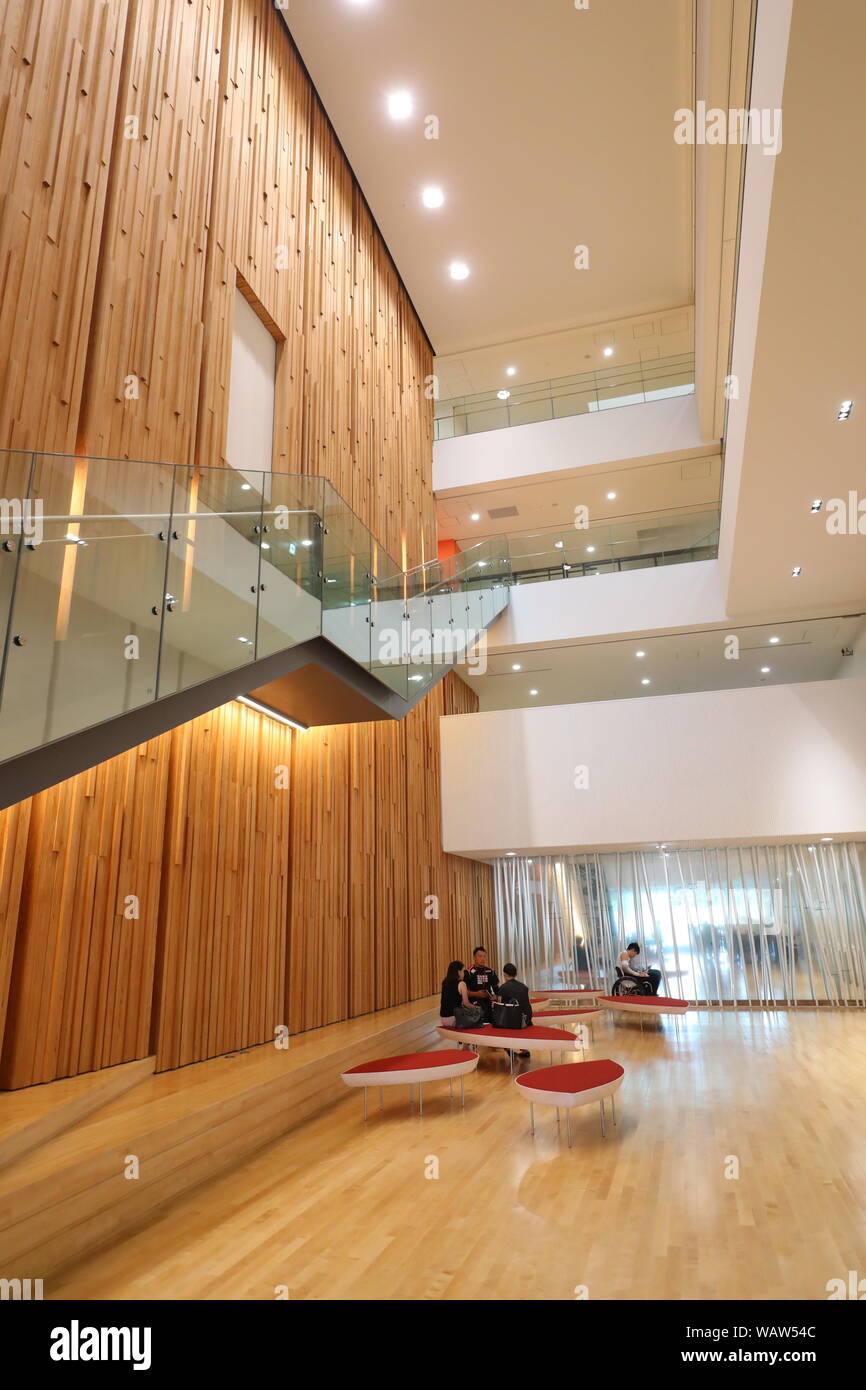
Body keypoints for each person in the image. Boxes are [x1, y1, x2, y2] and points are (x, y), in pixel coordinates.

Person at [498, 962, 532, 1058]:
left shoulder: (503, 988)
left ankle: (508, 1049)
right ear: (515, 974)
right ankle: (525, 1049)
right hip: (525, 1020)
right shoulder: (524, 987)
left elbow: (500, 1006)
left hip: (511, 1022)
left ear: (504, 974)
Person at [464, 946, 499, 1023]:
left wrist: (496, 996)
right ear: (474, 957)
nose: (482, 959)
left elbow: (496, 989)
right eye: (480, 956)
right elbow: (464, 993)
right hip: (474, 1005)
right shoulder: (468, 973)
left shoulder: (491, 972)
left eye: (484, 956)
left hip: (488, 1004)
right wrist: (477, 994)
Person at [439, 960, 474, 1024]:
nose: (464, 973)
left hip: (443, 1018)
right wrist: (477, 1008)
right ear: (459, 972)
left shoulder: (445, 982)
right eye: (463, 971)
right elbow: (466, 1003)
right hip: (454, 1018)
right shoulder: (462, 984)